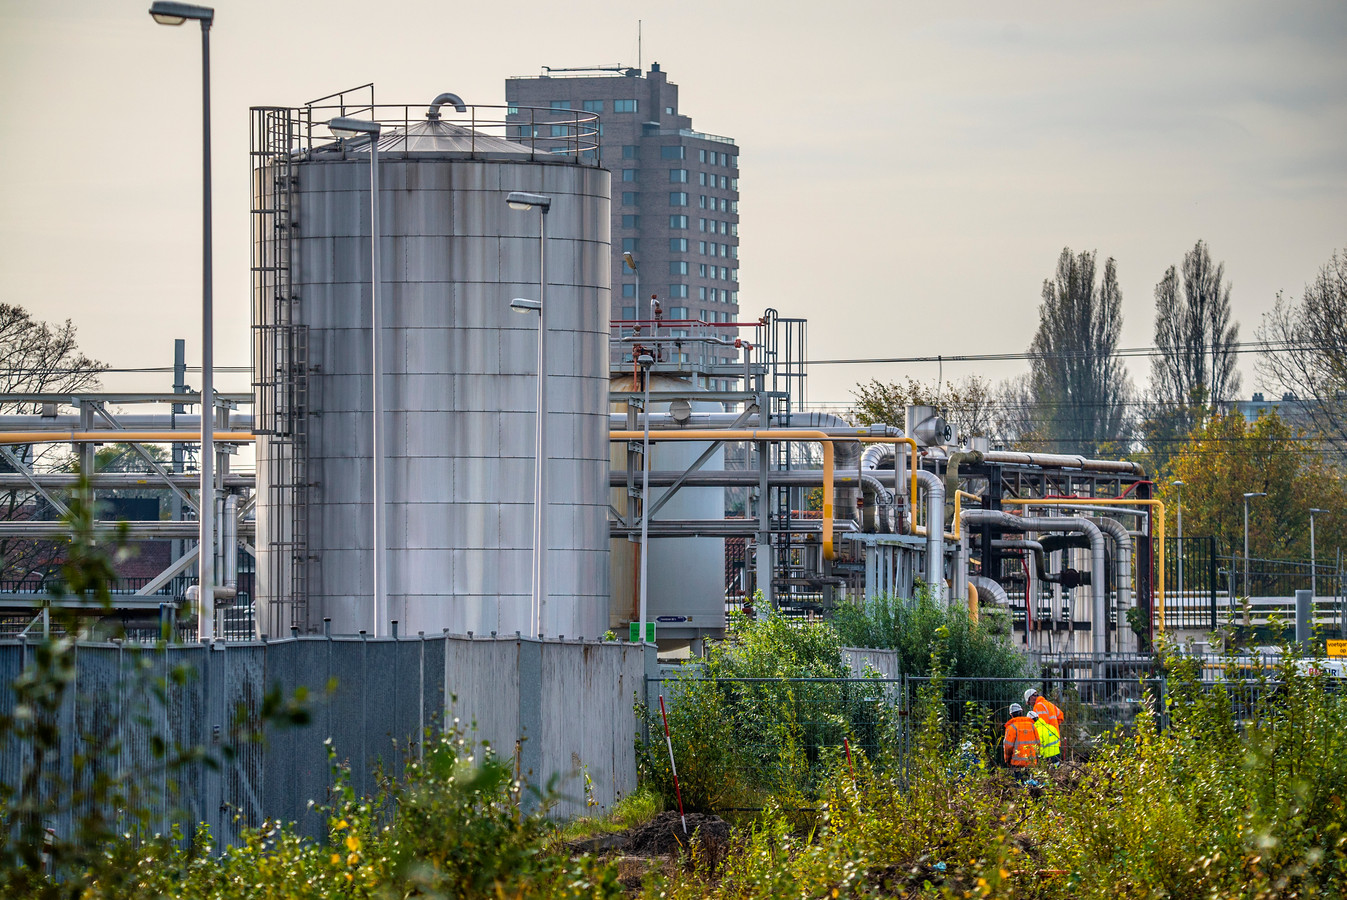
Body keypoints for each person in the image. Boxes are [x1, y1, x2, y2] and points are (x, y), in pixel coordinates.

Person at [1003, 703, 1039, 771]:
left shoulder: (1011, 727)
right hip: (1031, 762)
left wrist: (1007, 759)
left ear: (1011, 715)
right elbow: (1038, 743)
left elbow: (1008, 747)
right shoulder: (1031, 725)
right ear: (1021, 712)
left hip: (1017, 764)